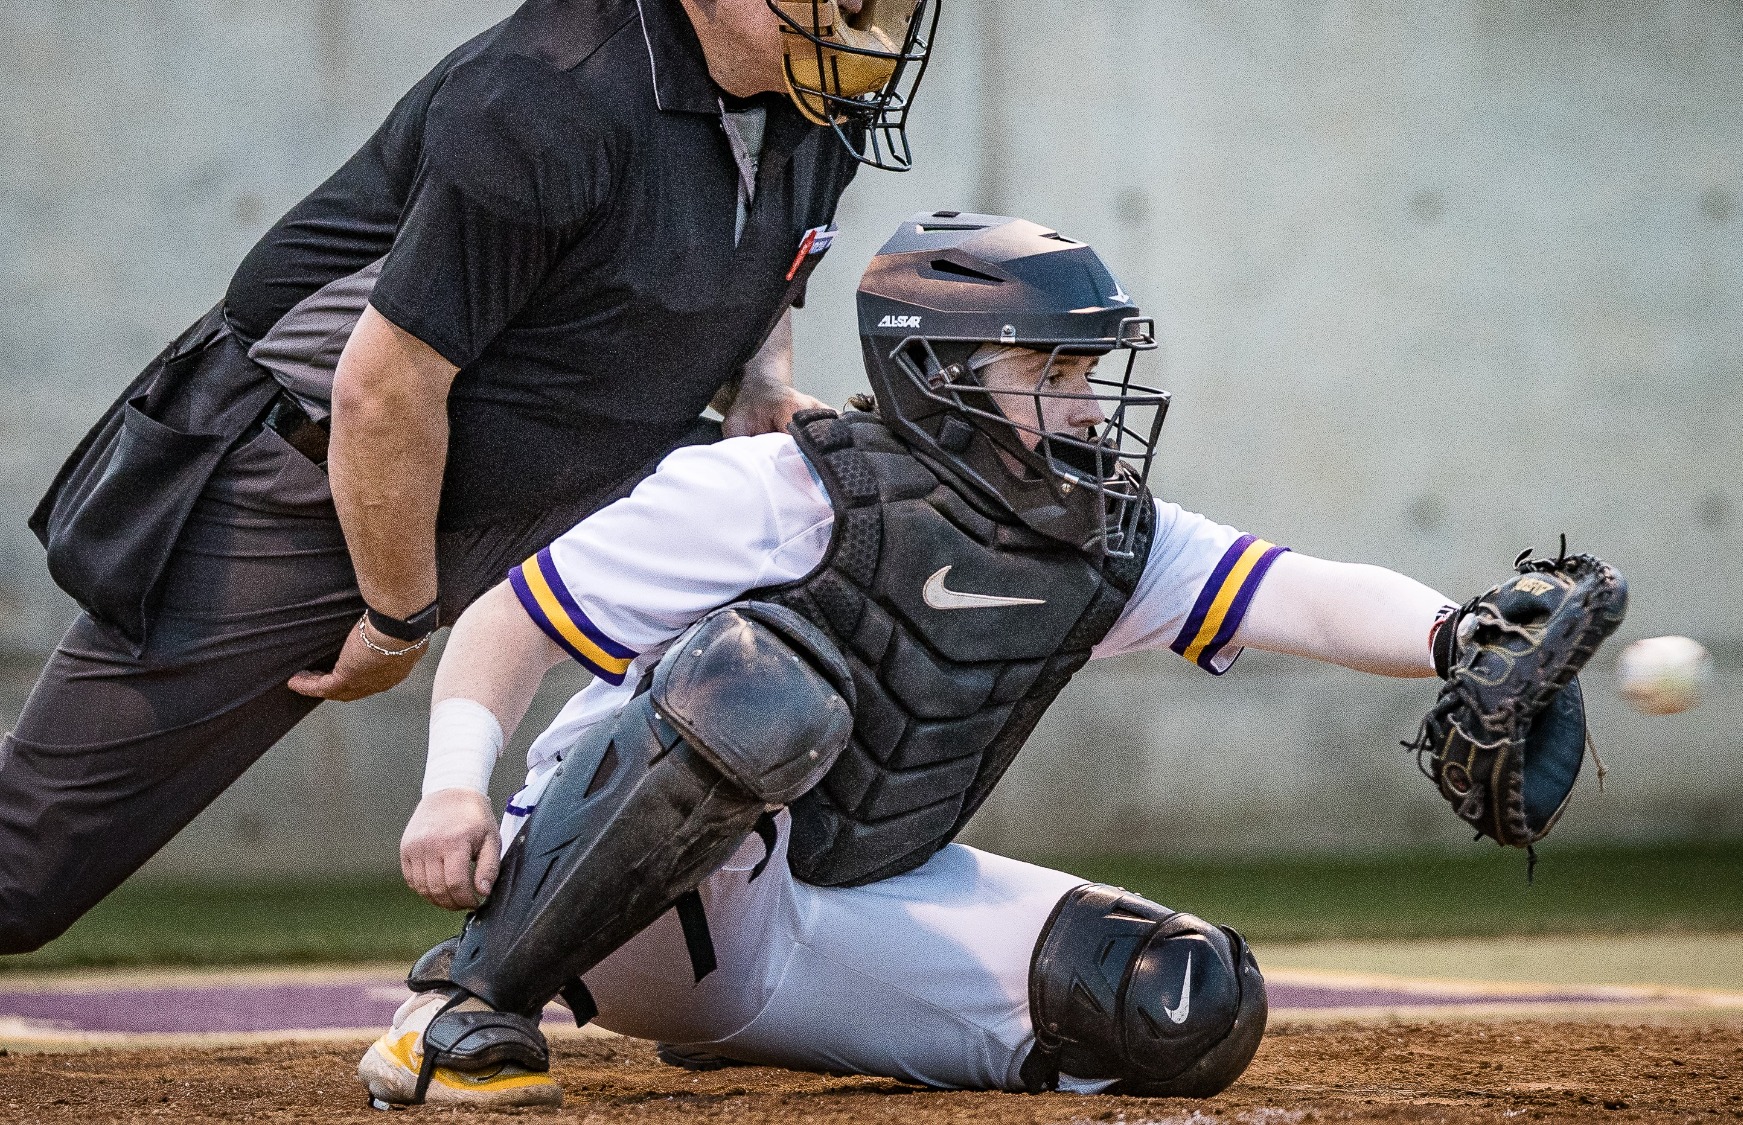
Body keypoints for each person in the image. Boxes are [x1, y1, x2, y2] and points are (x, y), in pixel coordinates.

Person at [356, 213, 1619, 1107]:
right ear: (939, 371)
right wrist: (455, 786)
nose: (1083, 398)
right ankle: (462, 1007)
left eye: (1089, 368)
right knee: (760, 684)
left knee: (1185, 1004)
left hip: (837, 900)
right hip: (617, 909)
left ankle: (774, 1039)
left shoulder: (1103, 538)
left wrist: (1457, 636)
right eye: (1050, 368)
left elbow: (1302, 593)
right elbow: (512, 614)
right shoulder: (774, 490)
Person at [0, 0, 937, 956]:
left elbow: (771, 259)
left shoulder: (813, 81)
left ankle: (723, 956)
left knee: (857, 528)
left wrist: (763, 384)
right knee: (21, 876)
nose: (867, 16)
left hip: (573, 454)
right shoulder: (545, 96)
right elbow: (383, 390)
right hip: (319, 477)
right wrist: (398, 614)